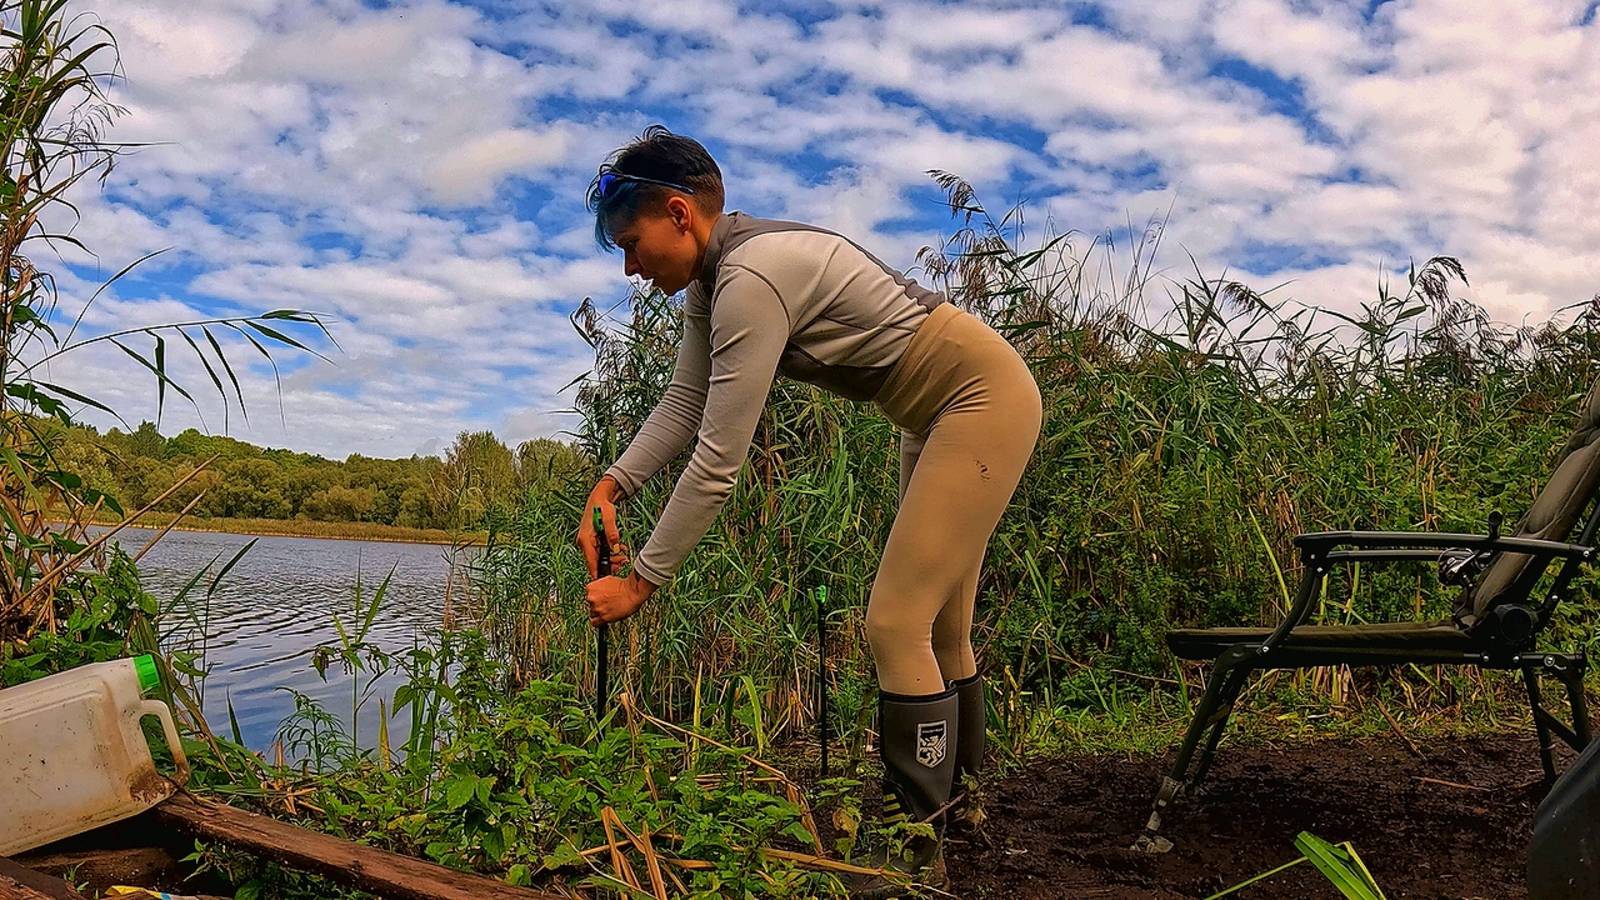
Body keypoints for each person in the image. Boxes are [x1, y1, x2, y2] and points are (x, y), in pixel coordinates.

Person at [575, 125, 1041, 892]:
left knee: (894, 623)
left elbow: (717, 465)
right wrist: (612, 486)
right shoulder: (713, 283)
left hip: (977, 398)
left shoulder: (753, 278)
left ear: (680, 213)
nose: (629, 265)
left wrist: (640, 583)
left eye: (631, 241)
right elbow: (686, 403)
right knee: (943, 626)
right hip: (930, 413)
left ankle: (917, 857)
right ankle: (961, 812)